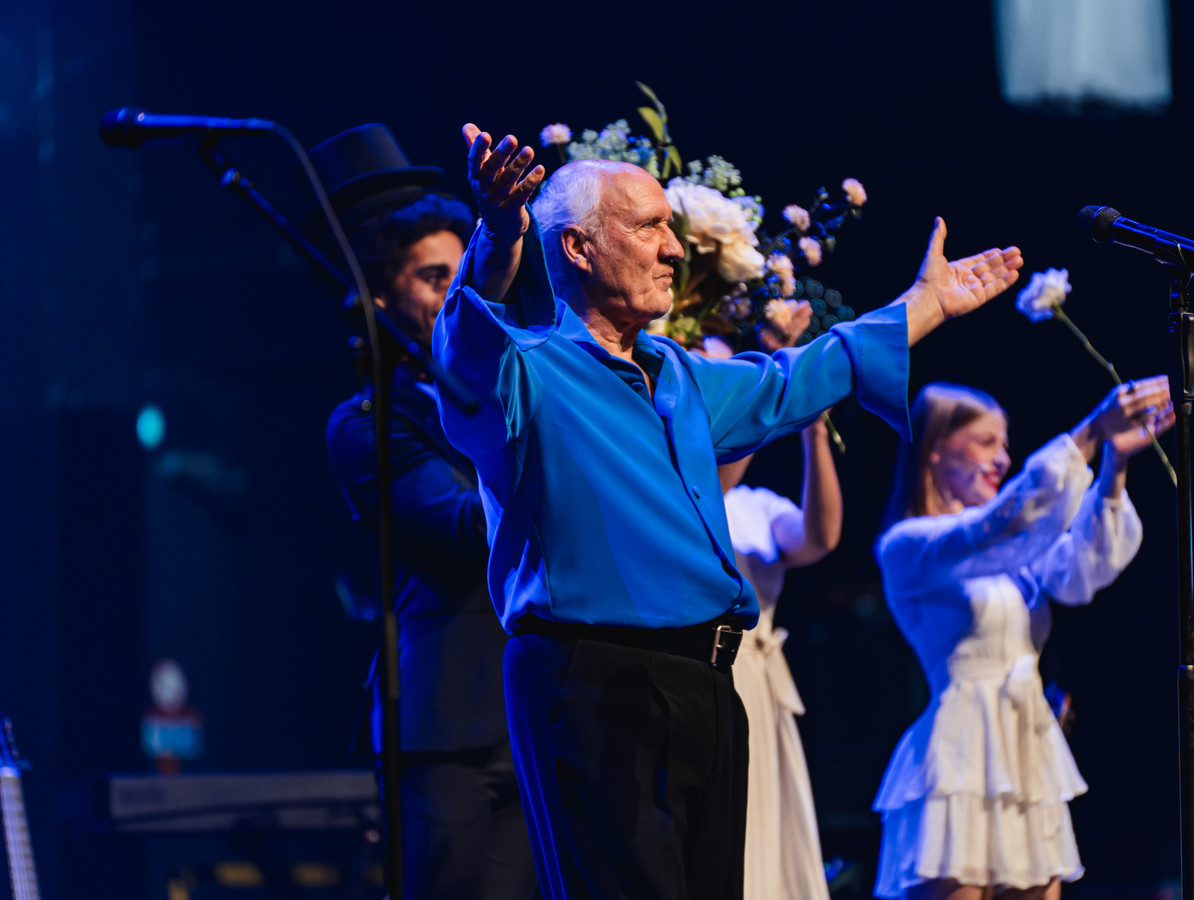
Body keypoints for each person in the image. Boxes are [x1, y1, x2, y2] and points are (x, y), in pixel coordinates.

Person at [430, 122, 1024, 900]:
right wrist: (500, 229)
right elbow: (463, 349)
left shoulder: (676, 372)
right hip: (593, 679)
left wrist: (925, 307)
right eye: (649, 229)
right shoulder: (523, 371)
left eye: (673, 231)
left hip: (708, 682)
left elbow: (800, 378)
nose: (674, 250)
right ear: (577, 248)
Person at [315, 124, 539, 900]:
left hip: (531, 715)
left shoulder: (508, 390)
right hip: (445, 722)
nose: (454, 296)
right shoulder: (366, 421)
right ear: (383, 296)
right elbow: (463, 529)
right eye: (434, 277)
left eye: (464, 278)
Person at [872, 376, 1173, 900]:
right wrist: (1089, 432)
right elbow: (994, 530)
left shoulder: (1017, 556)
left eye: (1005, 444)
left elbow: (1084, 570)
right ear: (936, 450)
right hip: (961, 753)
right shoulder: (911, 545)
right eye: (986, 442)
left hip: (1026, 746)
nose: (1003, 458)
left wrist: (1115, 464)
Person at [700, 314, 840, 900]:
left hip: (761, 679)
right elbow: (717, 474)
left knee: (771, 828)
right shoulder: (692, 501)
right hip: (711, 673)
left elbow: (820, 537)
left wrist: (810, 422)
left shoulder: (757, 505)